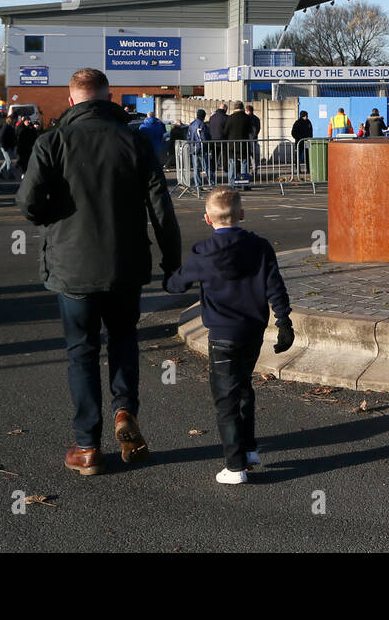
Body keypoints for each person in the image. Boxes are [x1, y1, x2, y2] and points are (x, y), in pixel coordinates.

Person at [16, 67, 182, 476]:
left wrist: (58, 216)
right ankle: (124, 410)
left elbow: (28, 204)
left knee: (82, 353)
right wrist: (172, 260)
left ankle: (87, 445)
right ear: (109, 100)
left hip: (72, 265)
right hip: (125, 263)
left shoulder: (51, 142)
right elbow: (161, 205)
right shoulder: (136, 141)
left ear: (72, 101)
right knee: (124, 338)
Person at [164, 188, 293, 484]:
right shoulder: (260, 247)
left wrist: (168, 276)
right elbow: (275, 285)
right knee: (244, 387)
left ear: (207, 219)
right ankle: (248, 449)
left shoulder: (202, 252)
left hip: (222, 333)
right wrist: (284, 321)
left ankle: (234, 466)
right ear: (242, 214)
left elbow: (178, 284)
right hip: (252, 330)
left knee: (225, 398)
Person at [224, 101, 251, 187]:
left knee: (232, 164)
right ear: (242, 107)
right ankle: (244, 184)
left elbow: (225, 131)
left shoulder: (230, 118)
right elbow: (250, 130)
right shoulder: (247, 118)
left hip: (232, 145)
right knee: (244, 164)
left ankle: (231, 184)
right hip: (244, 144)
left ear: (234, 108)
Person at [187, 109, 214, 188]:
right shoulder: (202, 125)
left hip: (194, 147)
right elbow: (204, 137)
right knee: (207, 167)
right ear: (203, 116)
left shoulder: (192, 124)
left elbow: (188, 136)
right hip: (202, 148)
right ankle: (211, 184)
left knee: (196, 168)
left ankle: (198, 184)